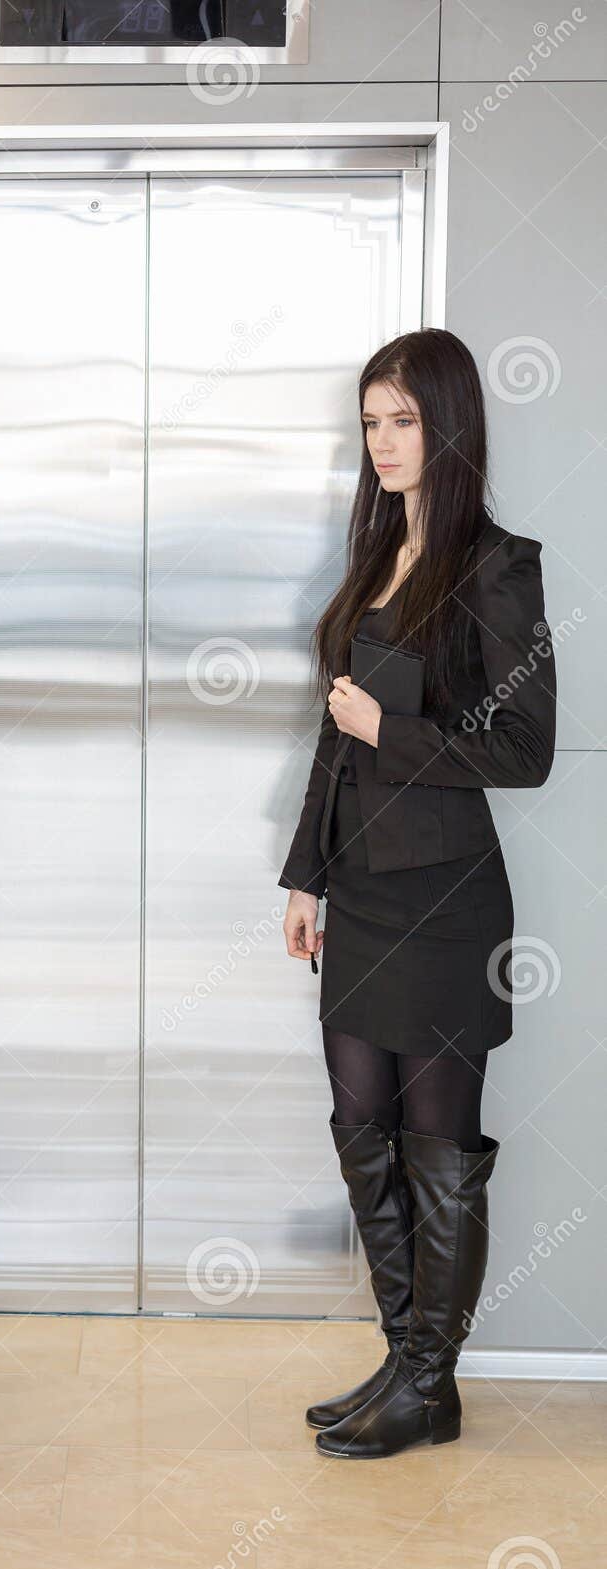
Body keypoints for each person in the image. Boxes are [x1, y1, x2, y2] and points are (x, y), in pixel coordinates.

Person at [279, 327, 556, 1459]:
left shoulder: (495, 565)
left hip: (446, 902)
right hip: (360, 895)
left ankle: (429, 1385)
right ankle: (405, 1360)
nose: (382, 442)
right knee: (361, 1130)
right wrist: (304, 872)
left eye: (400, 420)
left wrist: (388, 728)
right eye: (368, 422)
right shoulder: (367, 560)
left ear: (446, 425)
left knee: (437, 1147)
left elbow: (524, 749)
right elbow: (331, 740)